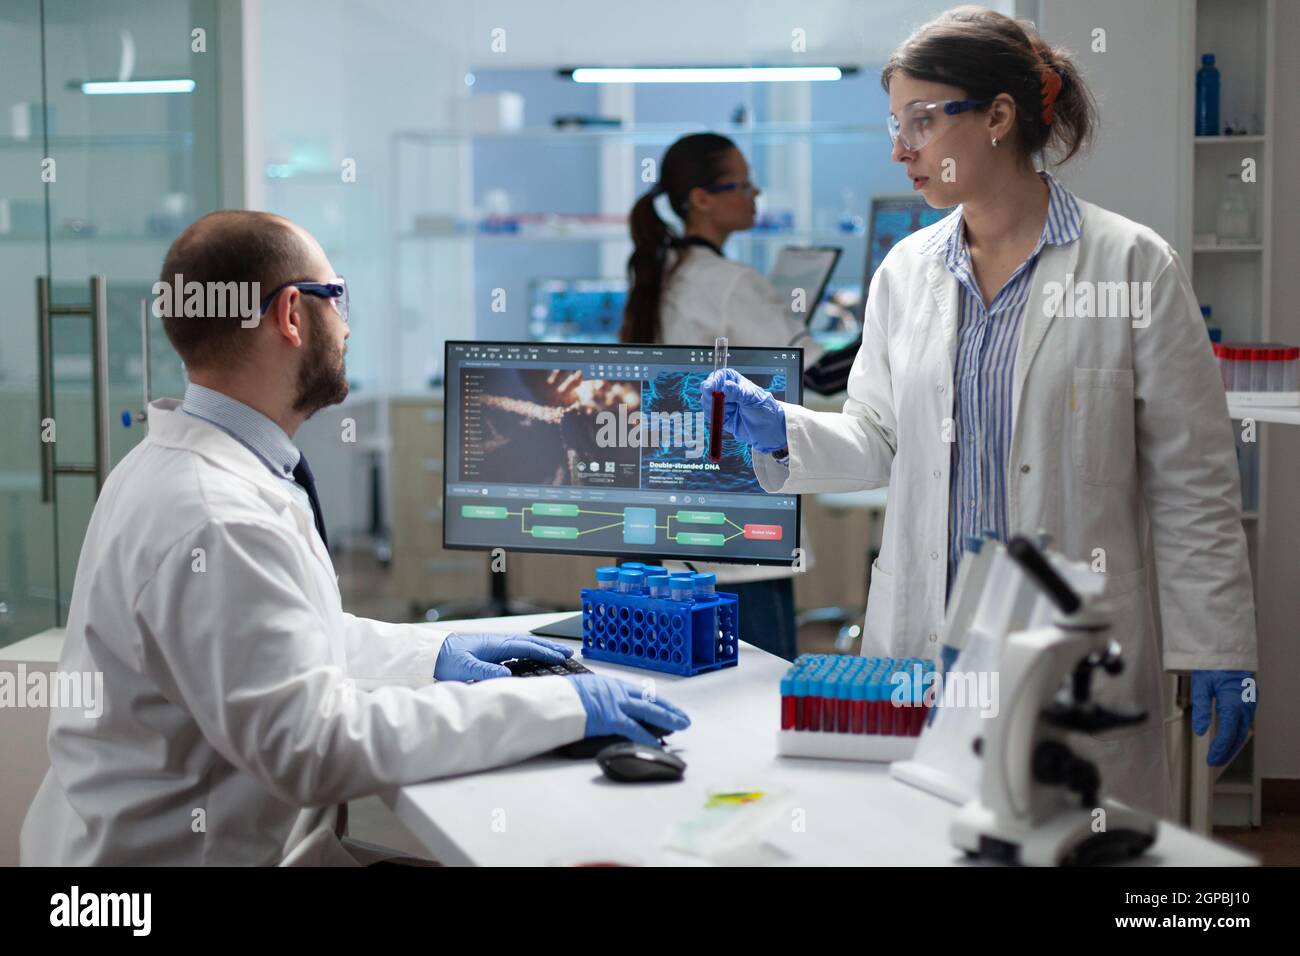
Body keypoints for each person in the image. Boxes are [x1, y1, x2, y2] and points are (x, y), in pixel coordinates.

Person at [703, 6, 1257, 817]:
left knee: (1070, 840)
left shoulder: (1131, 263)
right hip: (929, 647)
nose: (901, 150)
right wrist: (783, 429)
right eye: (896, 124)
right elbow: (878, 439)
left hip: (1065, 652)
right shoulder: (904, 274)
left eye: (921, 121)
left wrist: (1218, 644)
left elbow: (1194, 483)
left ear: (999, 117)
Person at [21, 211, 688, 866]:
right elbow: (314, 749)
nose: (346, 326)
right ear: (290, 315)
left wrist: (436, 654)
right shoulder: (217, 517)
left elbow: (278, 638)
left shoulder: (177, 465)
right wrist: (558, 706)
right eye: (336, 296)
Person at [621, 133, 822, 660]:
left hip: (662, 520)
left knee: (677, 674)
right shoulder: (732, 282)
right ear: (702, 199)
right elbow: (817, 379)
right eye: (741, 183)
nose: (754, 195)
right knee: (759, 679)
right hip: (737, 526)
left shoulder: (663, 272)